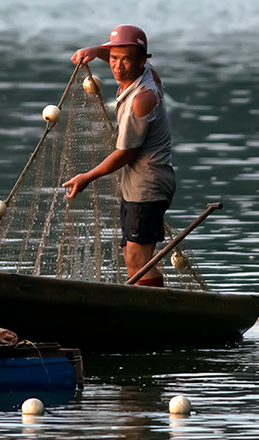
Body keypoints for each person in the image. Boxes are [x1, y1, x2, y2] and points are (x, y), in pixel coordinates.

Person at [62, 25, 176, 287]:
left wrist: (86, 177)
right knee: (133, 257)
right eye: (113, 58)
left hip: (148, 185)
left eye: (126, 60)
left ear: (142, 61)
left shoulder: (142, 98)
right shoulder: (147, 74)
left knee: (138, 257)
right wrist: (95, 51)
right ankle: (142, 310)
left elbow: (125, 153)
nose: (118, 66)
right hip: (137, 184)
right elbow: (120, 56)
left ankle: (151, 314)